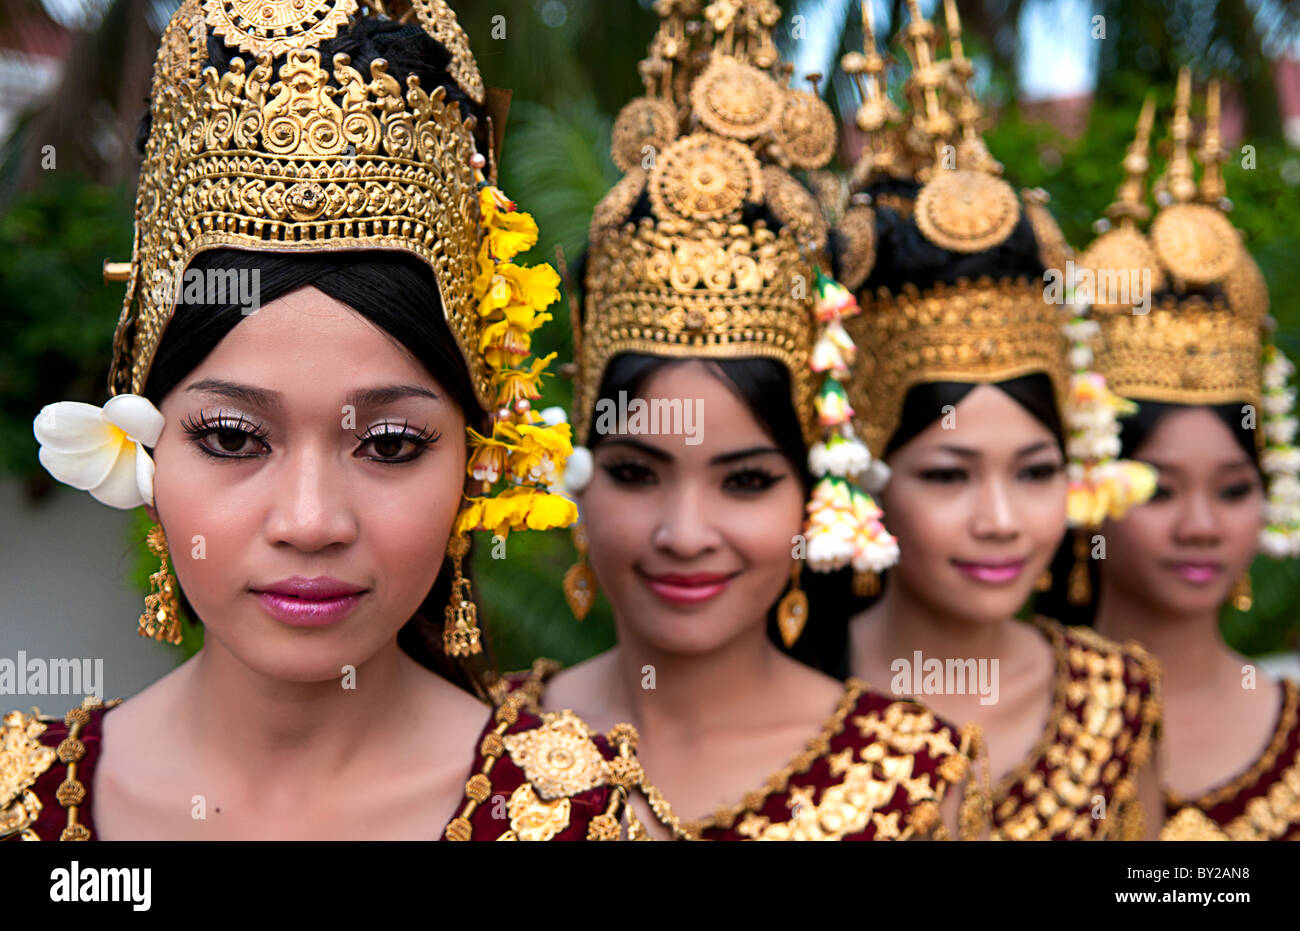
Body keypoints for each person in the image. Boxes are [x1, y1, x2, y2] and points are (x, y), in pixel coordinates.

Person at [3, 0, 621, 842]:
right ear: (141, 434)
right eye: (230, 437)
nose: (310, 521)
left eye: (391, 443)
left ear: (478, 455)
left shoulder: (574, 818)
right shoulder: (24, 806)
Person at [506, 0, 984, 842]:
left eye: (748, 479)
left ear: (815, 491)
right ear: (576, 467)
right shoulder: (478, 746)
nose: (685, 533)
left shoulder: (917, 777)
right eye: (635, 472)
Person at [834, 0, 1163, 840]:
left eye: (1036, 470)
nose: (1002, 519)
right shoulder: (784, 693)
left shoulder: (1120, 700)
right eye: (948, 473)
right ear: (868, 472)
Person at [1069, 72, 1300, 841]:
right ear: (1091, 477)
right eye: (1161, 490)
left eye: (1233, 490)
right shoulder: (999, 720)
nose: (1202, 525)